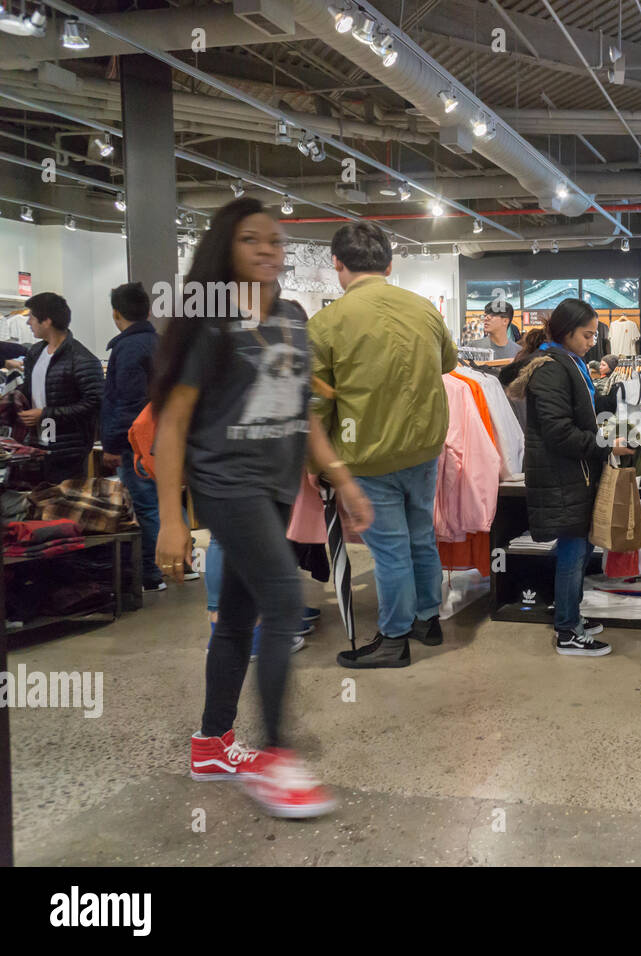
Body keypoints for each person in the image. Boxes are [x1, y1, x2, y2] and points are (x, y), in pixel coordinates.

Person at [151, 197, 372, 819]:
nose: (268, 250)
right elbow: (173, 425)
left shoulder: (296, 316)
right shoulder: (210, 322)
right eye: (252, 240)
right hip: (226, 483)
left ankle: (213, 743)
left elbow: (301, 412)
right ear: (226, 248)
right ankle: (276, 758)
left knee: (240, 617)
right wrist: (172, 518)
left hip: (277, 486)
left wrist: (340, 478)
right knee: (283, 601)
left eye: (275, 240)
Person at [312, 220, 459, 668]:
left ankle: (395, 640)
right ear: (390, 264)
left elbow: (316, 405)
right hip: (424, 447)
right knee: (421, 538)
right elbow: (448, 362)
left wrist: (317, 461)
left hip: (368, 454)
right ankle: (427, 620)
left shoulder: (325, 323)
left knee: (390, 550)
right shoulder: (424, 310)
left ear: (337, 263)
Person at [506, 298, 634, 657]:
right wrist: (607, 444)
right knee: (574, 551)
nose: (592, 341)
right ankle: (567, 631)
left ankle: (569, 613)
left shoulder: (568, 362)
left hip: (573, 472)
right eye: (587, 334)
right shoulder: (551, 368)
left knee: (576, 548)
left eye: (595, 334)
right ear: (566, 332)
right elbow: (559, 432)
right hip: (564, 474)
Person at [100, 282, 163, 590]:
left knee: (145, 504)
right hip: (163, 438)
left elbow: (126, 402)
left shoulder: (126, 348)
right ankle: (181, 564)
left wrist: (112, 444)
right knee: (163, 502)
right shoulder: (160, 343)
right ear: (148, 310)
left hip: (138, 442)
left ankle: (153, 572)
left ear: (116, 313)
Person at [19, 292, 103, 482]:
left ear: (46, 321)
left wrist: (46, 414)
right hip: (36, 446)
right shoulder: (35, 352)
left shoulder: (81, 359)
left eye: (31, 317)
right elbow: (30, 388)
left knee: (62, 506)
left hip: (68, 450)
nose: (28, 323)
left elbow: (94, 403)